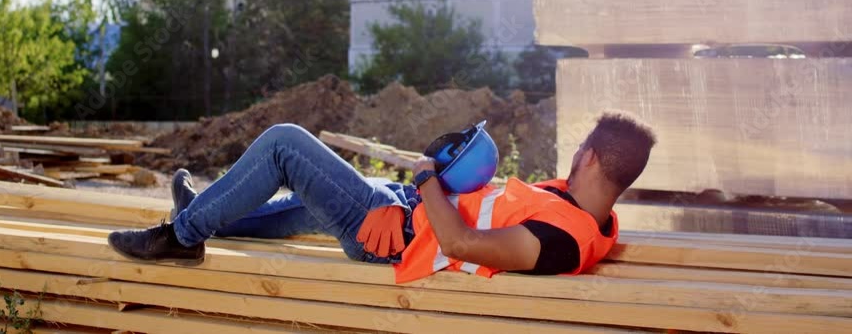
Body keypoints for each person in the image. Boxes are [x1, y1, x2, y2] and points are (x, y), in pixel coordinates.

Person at [107, 111, 656, 283]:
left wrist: (422, 182)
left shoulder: (562, 241)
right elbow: (478, 204)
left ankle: (181, 236)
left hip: (396, 237)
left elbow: (461, 240)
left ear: (586, 156)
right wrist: (410, 197)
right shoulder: (584, 210)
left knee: (284, 145)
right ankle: (202, 214)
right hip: (402, 210)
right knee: (303, 205)